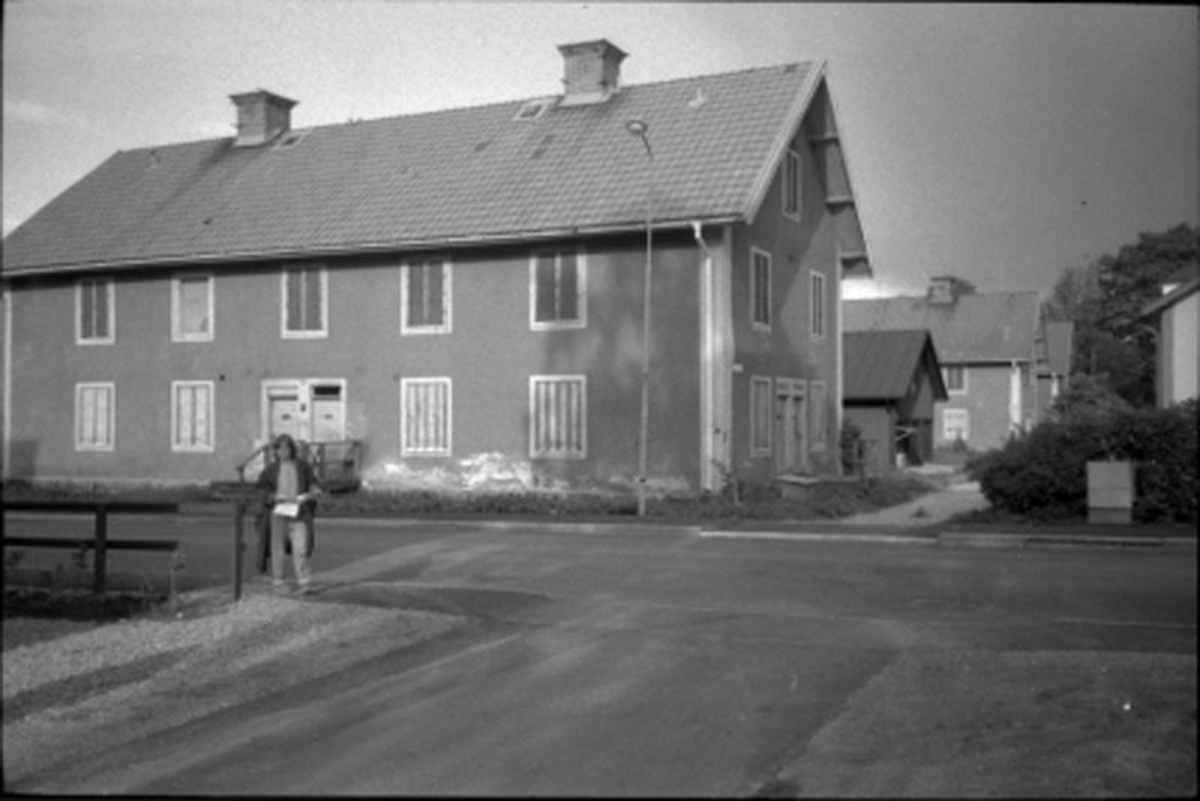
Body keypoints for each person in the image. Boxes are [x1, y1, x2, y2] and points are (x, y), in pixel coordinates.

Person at [256, 434, 322, 595]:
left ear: (292, 449)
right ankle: (279, 583)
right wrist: (272, 497)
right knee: (276, 549)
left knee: (301, 548)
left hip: (299, 512)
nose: (284, 450)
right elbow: (261, 489)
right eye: (280, 447)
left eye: (287, 447)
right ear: (276, 451)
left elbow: (313, 482)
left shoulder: (303, 466)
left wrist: (313, 491)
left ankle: (304, 583)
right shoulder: (270, 470)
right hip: (278, 513)